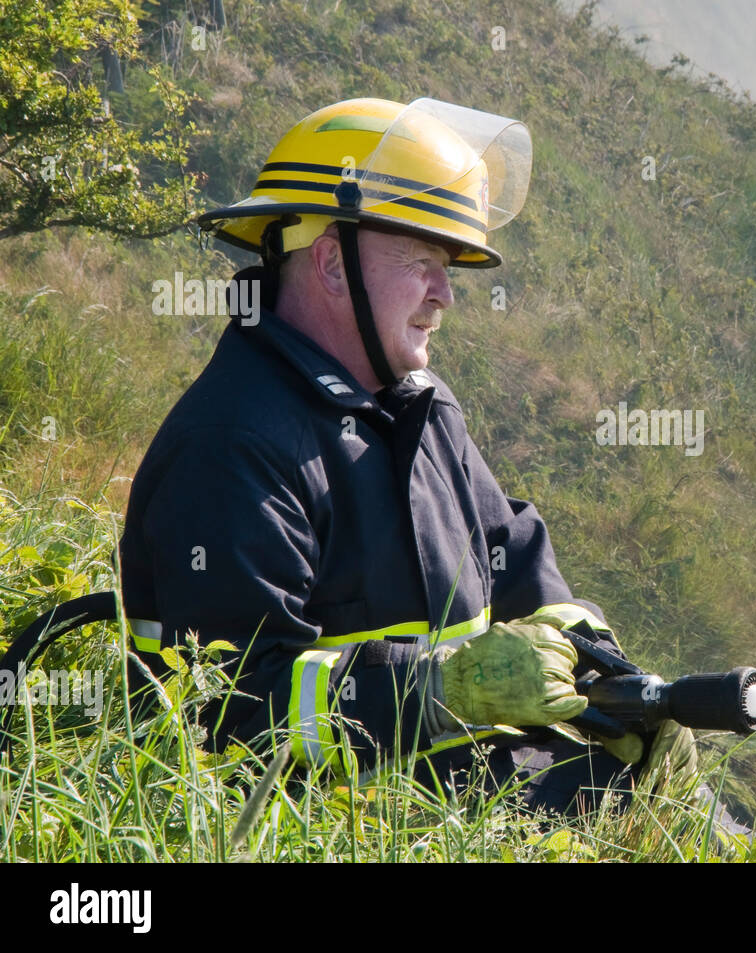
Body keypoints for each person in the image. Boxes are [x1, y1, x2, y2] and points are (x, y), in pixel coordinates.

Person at [116, 98, 698, 814]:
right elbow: (235, 715)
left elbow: (511, 556)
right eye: (423, 262)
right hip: (345, 823)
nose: (445, 295)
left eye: (447, 268)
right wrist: (439, 690)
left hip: (469, 786)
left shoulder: (418, 406)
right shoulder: (234, 447)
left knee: (681, 809)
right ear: (332, 263)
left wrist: (612, 675)